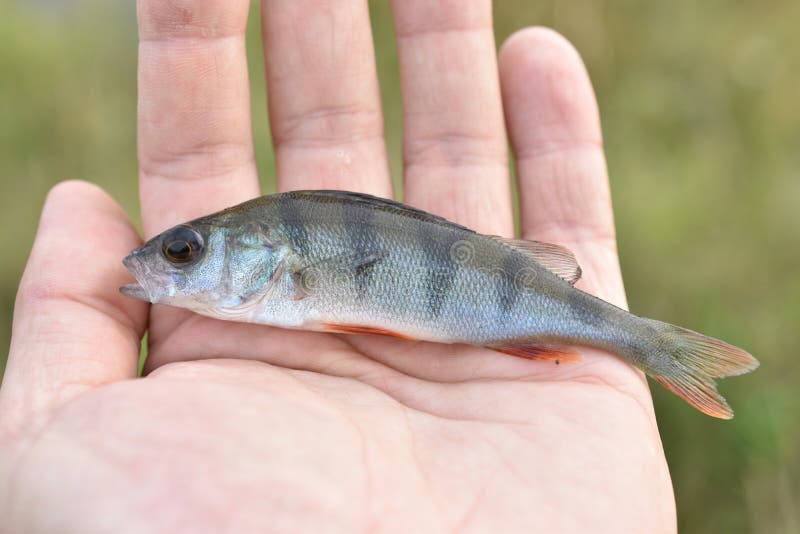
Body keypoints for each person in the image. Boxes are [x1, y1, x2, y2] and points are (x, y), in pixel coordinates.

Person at [0, 1, 676, 531]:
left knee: (606, 329)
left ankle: (646, 341)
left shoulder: (286, 261)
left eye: (184, 251)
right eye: (181, 251)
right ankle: (649, 342)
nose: (164, 263)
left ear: (264, 252)